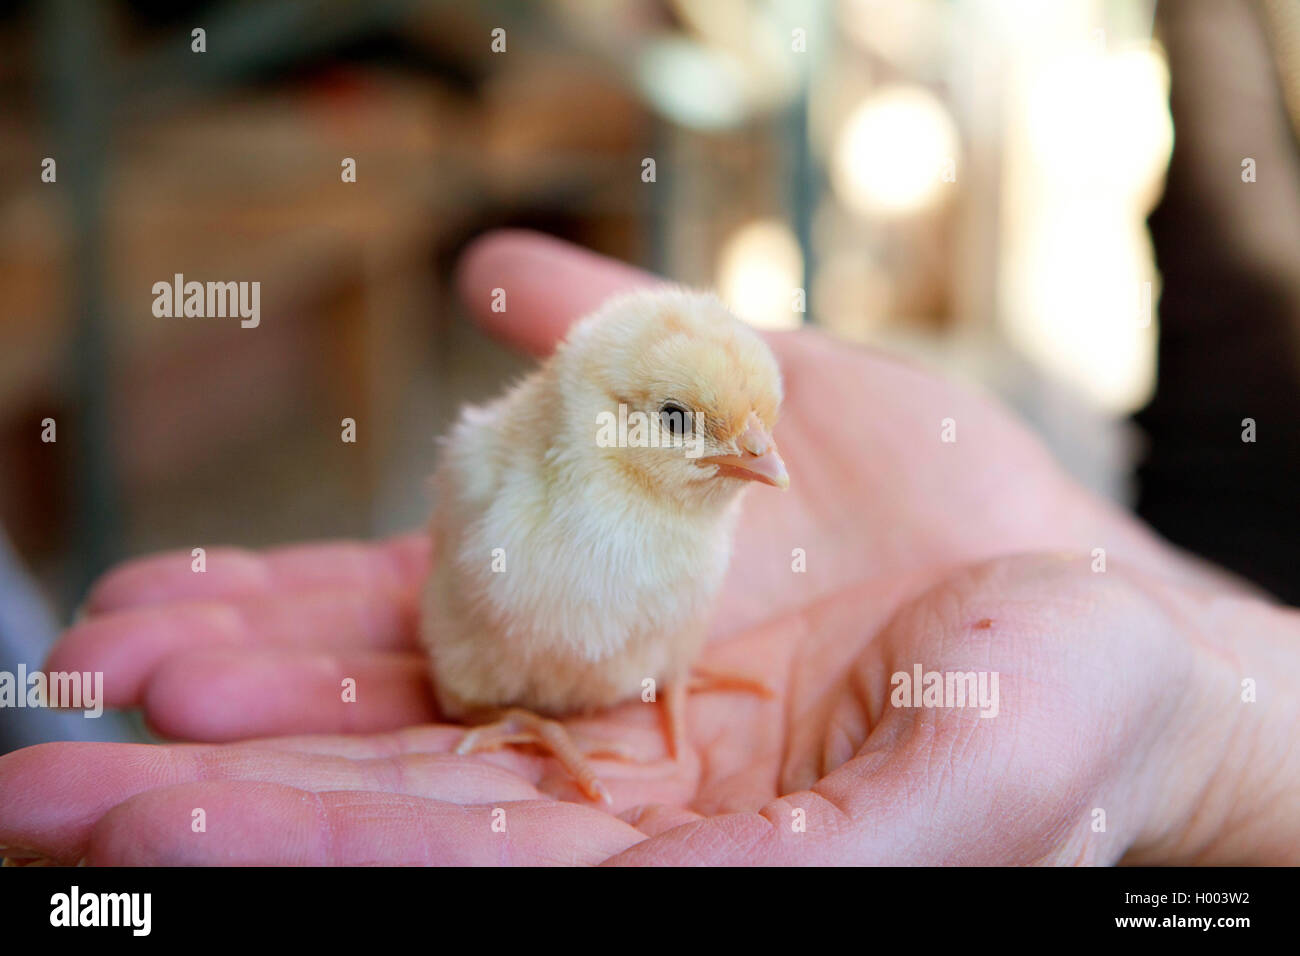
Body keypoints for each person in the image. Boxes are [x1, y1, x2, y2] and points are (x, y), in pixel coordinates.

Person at [1, 231, 1296, 865]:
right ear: (608, 410)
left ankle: (648, 680)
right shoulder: (512, 484)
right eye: (695, 426)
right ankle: (531, 717)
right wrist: (503, 711)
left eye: (754, 434)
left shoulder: (694, 486)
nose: (757, 462)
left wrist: (1212, 701)